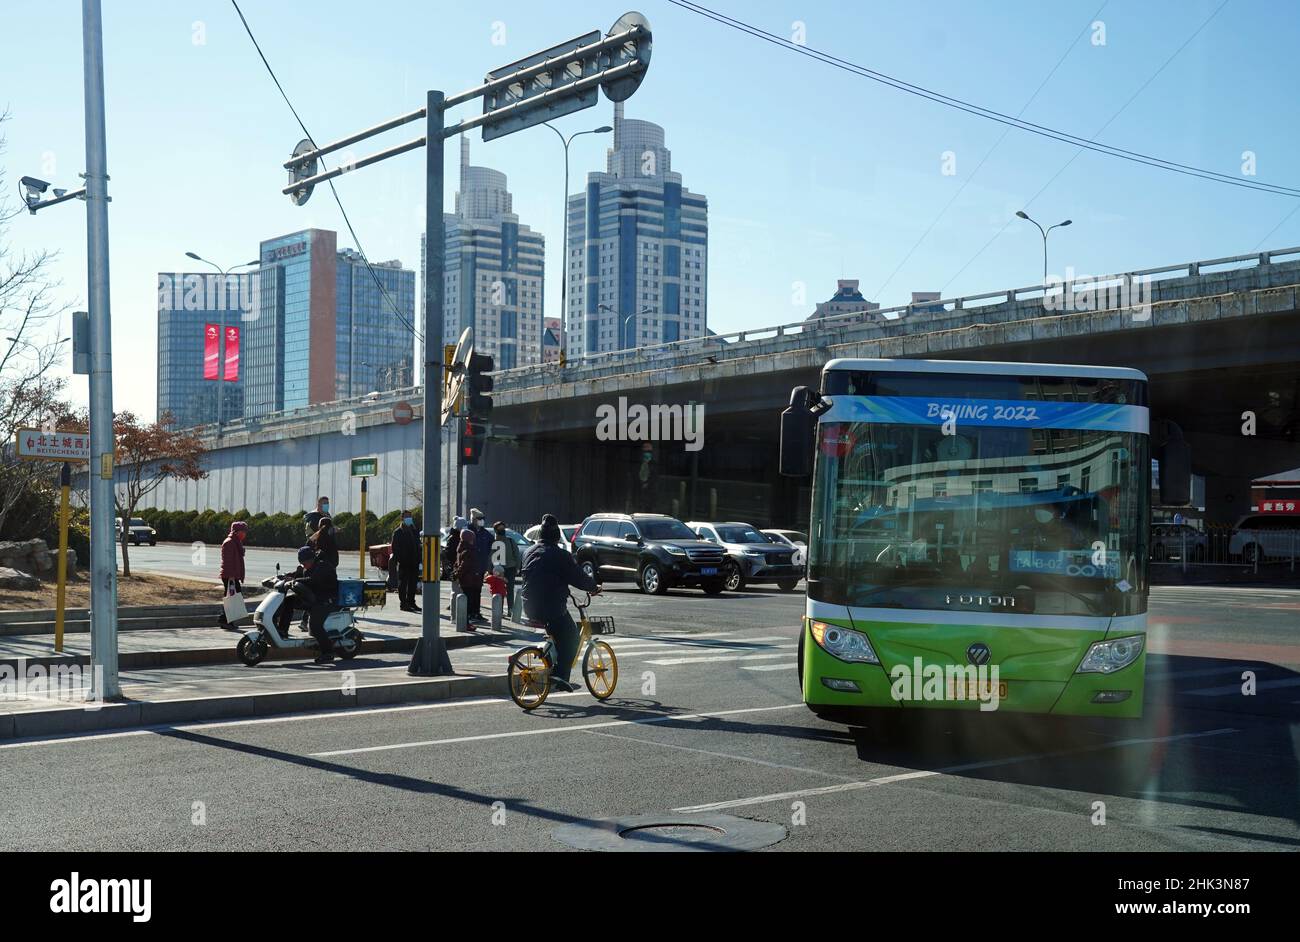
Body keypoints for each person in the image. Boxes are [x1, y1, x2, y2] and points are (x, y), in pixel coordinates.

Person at [521, 514, 600, 692]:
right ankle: (561, 676)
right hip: (552, 608)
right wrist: (593, 587)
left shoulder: (528, 552)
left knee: (557, 633)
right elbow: (578, 576)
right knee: (572, 637)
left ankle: (551, 659)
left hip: (529, 607)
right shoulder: (560, 555)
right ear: (556, 536)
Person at [280, 545, 339, 664]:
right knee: (289, 601)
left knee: (315, 627)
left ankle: (328, 652)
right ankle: (282, 631)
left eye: (304, 563)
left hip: (325, 601)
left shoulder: (323, 566)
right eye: (301, 563)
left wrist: (294, 581)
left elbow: (312, 580)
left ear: (311, 559)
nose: (303, 565)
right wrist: (287, 577)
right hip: (313, 598)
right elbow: (301, 574)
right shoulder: (309, 566)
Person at [218, 521, 248, 627]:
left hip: (233, 575)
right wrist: (231, 576)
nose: (244, 534)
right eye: (243, 531)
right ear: (236, 532)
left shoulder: (236, 542)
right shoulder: (229, 543)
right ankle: (224, 620)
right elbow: (228, 561)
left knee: (232, 597)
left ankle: (227, 620)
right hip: (230, 576)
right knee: (231, 598)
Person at [391, 510, 421, 613]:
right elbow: (395, 548)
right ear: (402, 518)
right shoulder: (398, 532)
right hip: (404, 563)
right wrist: (401, 559)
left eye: (410, 516)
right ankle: (403, 604)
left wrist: (419, 559)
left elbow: (418, 546)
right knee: (403, 584)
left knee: (413, 584)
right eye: (407, 517)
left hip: (414, 562)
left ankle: (411, 602)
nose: (409, 519)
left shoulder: (414, 530)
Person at [454, 524, 483, 626]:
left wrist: (456, 574)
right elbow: (464, 565)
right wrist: (458, 573)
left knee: (466, 602)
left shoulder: (461, 548)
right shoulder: (469, 550)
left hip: (465, 579)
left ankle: (465, 622)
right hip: (470, 580)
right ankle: (465, 623)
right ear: (469, 539)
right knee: (468, 603)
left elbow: (458, 564)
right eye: (472, 538)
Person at [492, 521, 522, 617]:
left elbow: (490, 557)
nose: (502, 530)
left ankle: (502, 610)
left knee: (500, 590)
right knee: (508, 590)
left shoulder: (494, 542)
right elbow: (517, 555)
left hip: (501, 568)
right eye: (501, 528)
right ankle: (509, 610)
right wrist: (517, 567)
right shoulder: (509, 541)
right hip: (508, 568)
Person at [468, 509, 493, 624]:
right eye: (479, 519)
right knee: (470, 590)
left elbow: (492, 545)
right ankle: (469, 613)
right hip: (470, 566)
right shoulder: (468, 531)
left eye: (483, 519)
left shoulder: (485, 533)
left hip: (481, 566)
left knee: (477, 590)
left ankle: (476, 612)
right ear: (473, 519)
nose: (482, 521)